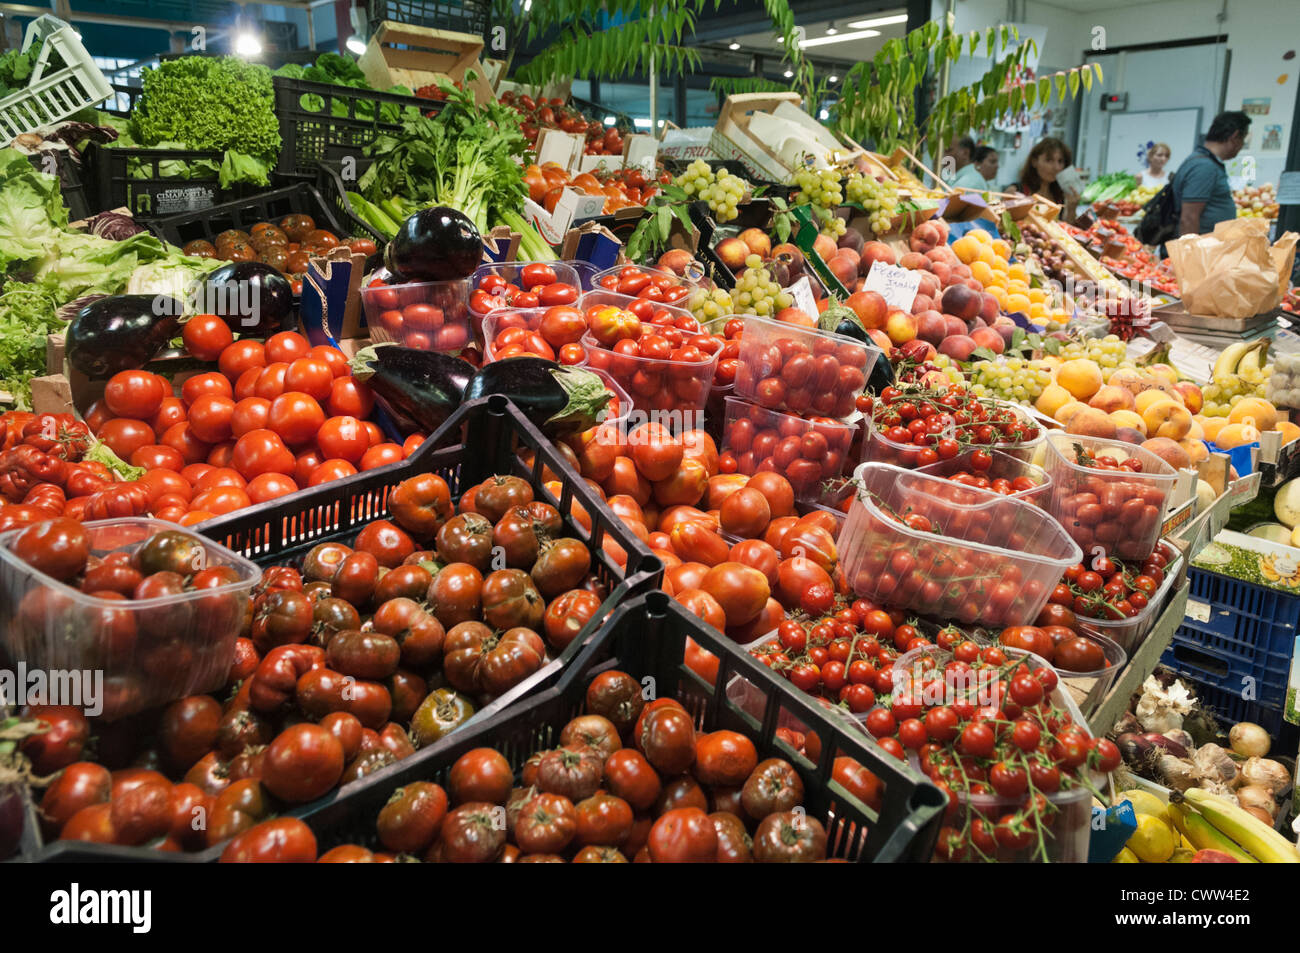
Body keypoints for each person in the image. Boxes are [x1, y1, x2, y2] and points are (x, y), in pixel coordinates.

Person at [1172, 111, 1250, 236]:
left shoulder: (1205, 163)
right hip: (1202, 251)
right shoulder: (1204, 167)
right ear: (1235, 137)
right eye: (1243, 140)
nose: (1241, 146)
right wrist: (1192, 253)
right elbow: (1188, 219)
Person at [1009, 137, 1078, 218]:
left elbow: (1065, 228)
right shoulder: (1015, 192)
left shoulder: (1060, 197)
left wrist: (1072, 209)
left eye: (1060, 161)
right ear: (1034, 161)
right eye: (1049, 160)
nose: (1056, 167)